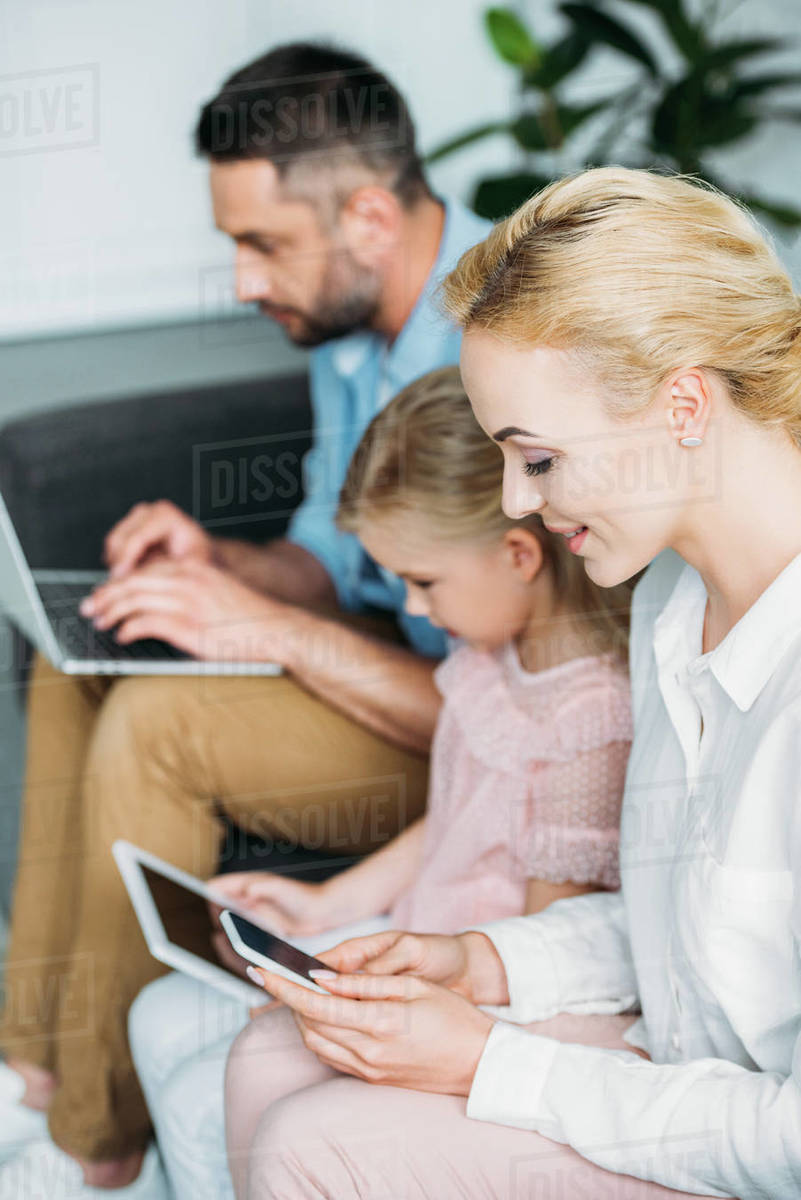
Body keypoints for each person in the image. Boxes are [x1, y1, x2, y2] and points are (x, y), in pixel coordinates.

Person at [226, 167, 801, 1200]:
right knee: (276, 1055)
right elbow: (673, 928)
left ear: (683, 405)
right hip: (676, 1065)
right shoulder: (673, 598)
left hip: (751, 1141)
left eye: (536, 458)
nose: (513, 502)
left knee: (307, 1145)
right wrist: (479, 962)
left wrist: (492, 1063)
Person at [0, 42, 491, 1198]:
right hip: (383, 673)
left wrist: (264, 630)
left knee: (159, 730)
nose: (242, 282)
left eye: (261, 244)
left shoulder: (492, 352)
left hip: (462, 733)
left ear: (371, 215)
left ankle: (98, 1149)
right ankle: (28, 1068)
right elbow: (333, 557)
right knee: (85, 667)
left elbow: (507, 710)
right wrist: (225, 563)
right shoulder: (354, 325)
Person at [127, 365, 633, 1199]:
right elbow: (456, 818)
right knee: (160, 1014)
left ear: (518, 554)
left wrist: (348, 1000)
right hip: (416, 934)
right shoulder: (488, 657)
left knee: (202, 1087)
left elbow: (545, 947)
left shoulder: (589, 718)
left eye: (423, 582)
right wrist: (324, 910)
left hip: (478, 988)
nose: (413, 608)